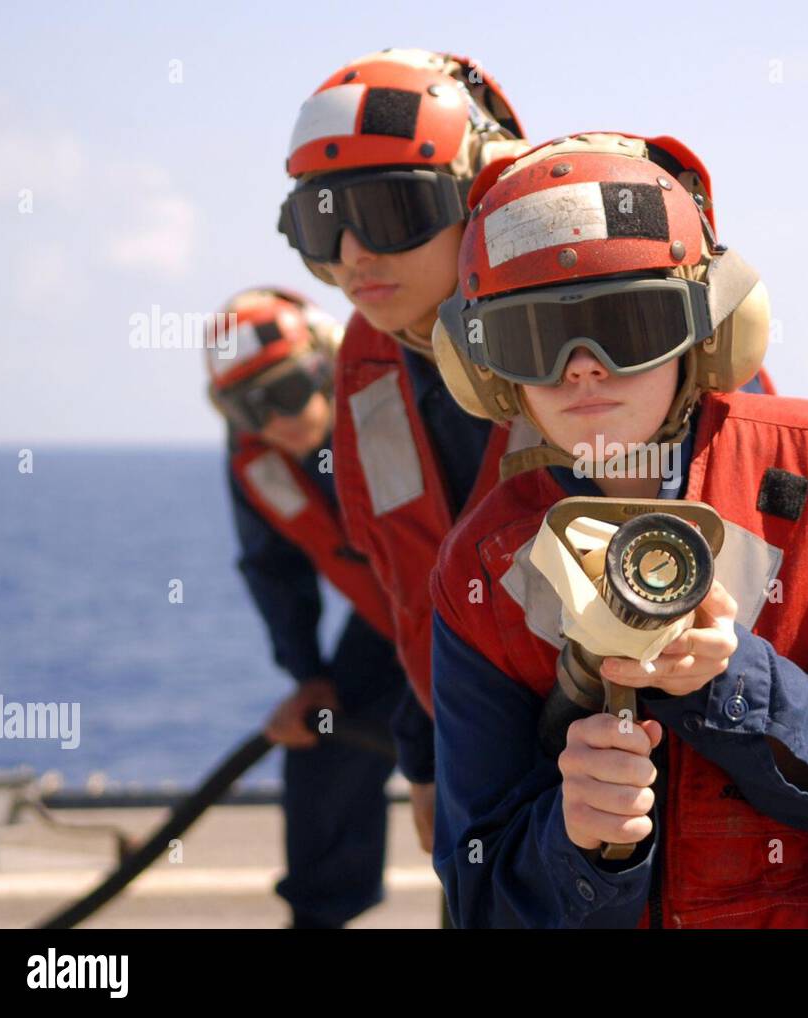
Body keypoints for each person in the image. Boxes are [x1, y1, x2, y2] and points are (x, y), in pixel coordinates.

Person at [426, 134, 808, 928]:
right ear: (485, 368)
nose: (582, 367)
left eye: (629, 323)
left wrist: (738, 683)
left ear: (704, 329)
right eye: (532, 339)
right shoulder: (482, 570)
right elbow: (482, 886)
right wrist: (581, 846)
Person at [276, 51, 773, 851]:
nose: (353, 254)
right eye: (320, 222)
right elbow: (413, 588)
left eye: (393, 212)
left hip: (674, 771)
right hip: (494, 779)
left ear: (477, 190)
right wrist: (433, 755)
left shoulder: (640, 344)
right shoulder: (367, 363)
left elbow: (757, 555)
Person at [205, 287, 404, 928]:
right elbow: (274, 569)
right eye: (251, 407)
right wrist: (308, 675)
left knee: (479, 774)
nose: (279, 420)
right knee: (321, 741)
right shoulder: (254, 458)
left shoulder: (399, 398)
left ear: (323, 365)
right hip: (388, 626)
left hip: (472, 623)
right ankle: (320, 917)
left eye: (288, 390)